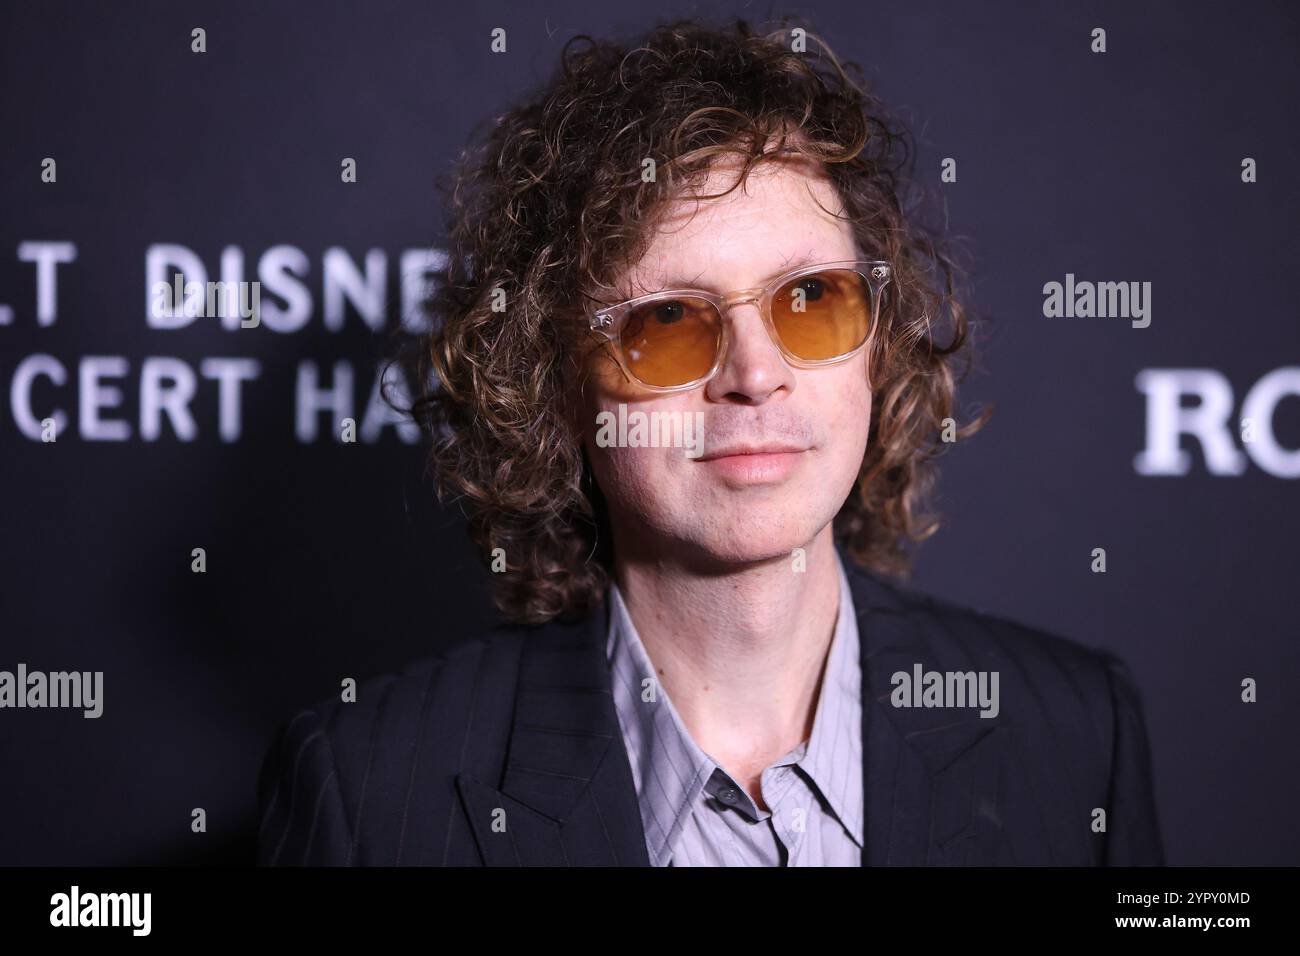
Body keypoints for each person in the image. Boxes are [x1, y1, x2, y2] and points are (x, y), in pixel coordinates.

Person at [256, 17, 1163, 867]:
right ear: (557, 385)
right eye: (668, 321)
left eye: (811, 300)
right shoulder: (368, 793)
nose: (755, 372)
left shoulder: (1077, 734)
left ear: (878, 353)